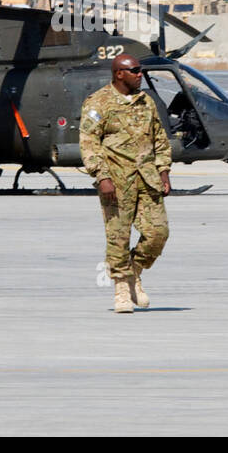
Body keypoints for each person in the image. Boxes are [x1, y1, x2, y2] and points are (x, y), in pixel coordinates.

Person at [79, 53, 172, 313]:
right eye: (135, 71)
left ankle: (134, 272)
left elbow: (160, 138)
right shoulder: (99, 103)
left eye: (140, 70)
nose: (140, 74)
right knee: (118, 237)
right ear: (119, 74)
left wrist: (164, 170)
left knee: (158, 234)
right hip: (117, 181)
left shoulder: (146, 102)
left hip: (148, 179)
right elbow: (89, 142)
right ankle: (121, 289)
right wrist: (102, 176)